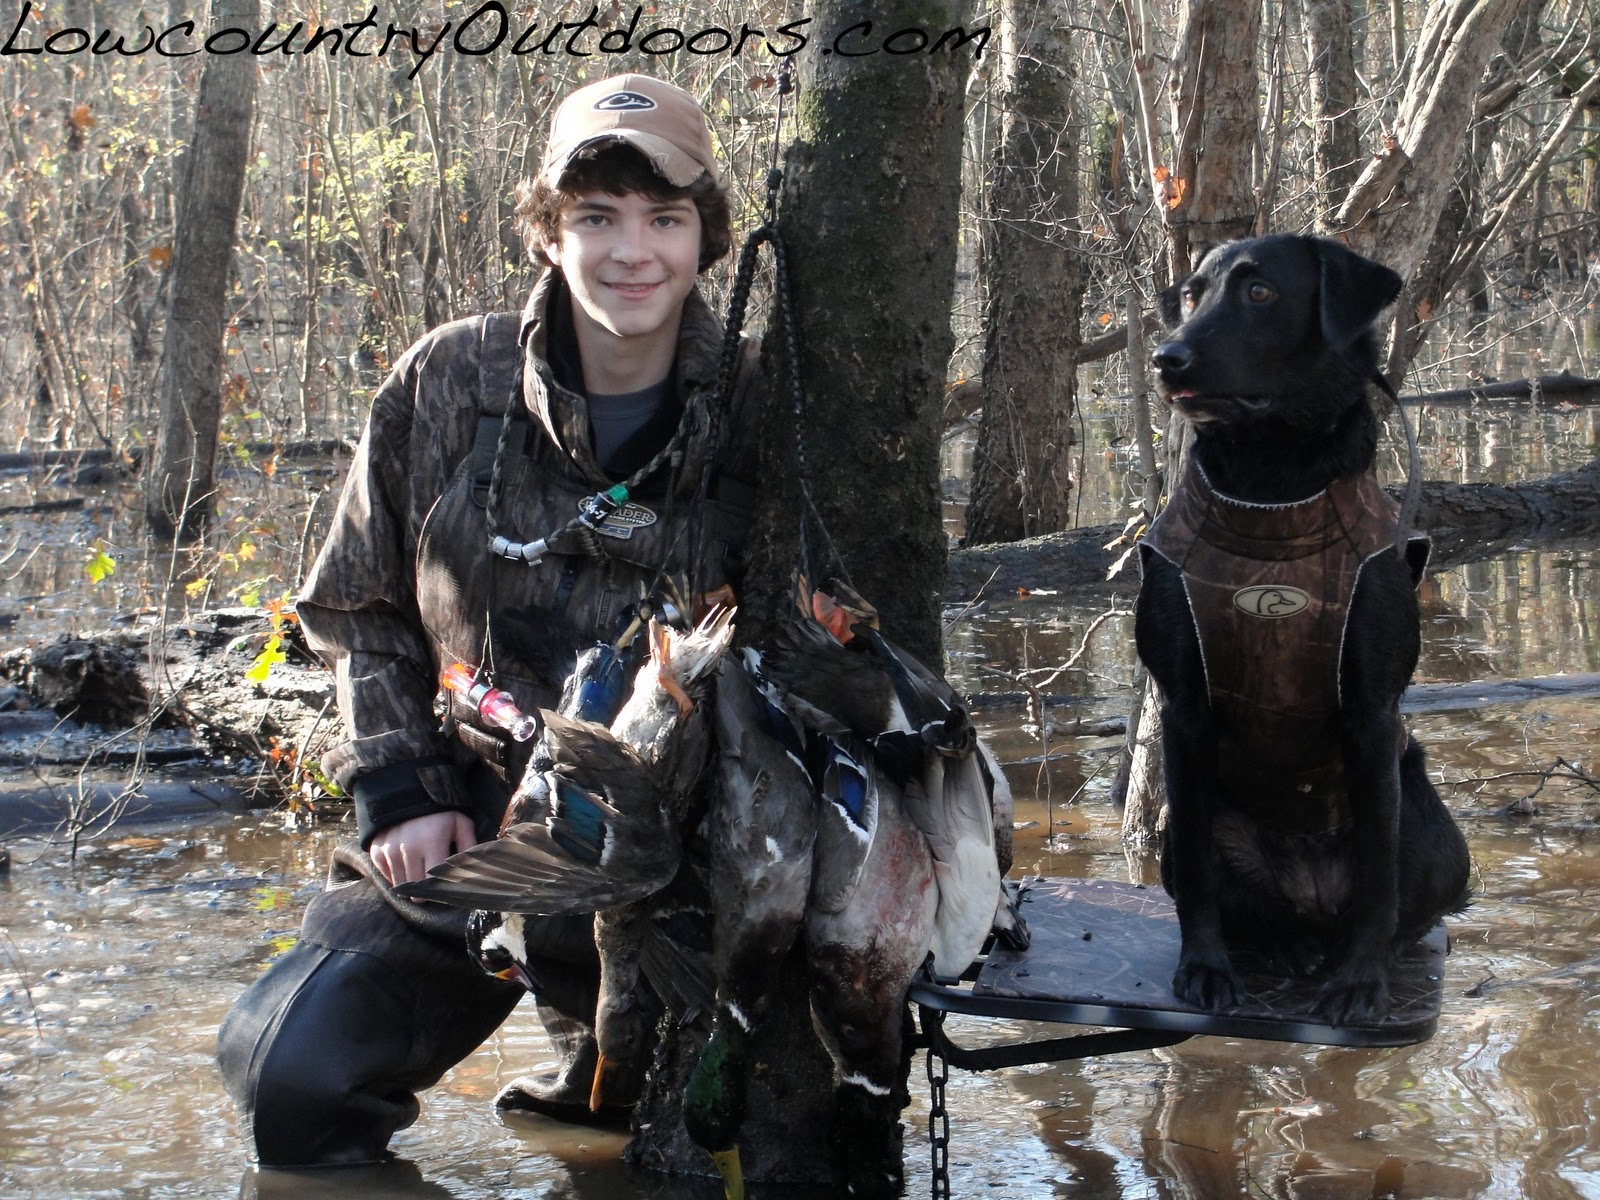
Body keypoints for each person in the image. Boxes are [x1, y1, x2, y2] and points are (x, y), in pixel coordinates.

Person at [216, 73, 764, 1168]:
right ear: (546, 232)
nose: (631, 252)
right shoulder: (449, 380)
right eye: (595, 217)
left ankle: (584, 1085)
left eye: (665, 218)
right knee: (293, 1078)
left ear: (706, 237)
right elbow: (360, 609)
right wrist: (401, 792)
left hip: (675, 865)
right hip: (468, 823)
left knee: (681, 1149)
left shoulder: (762, 406)